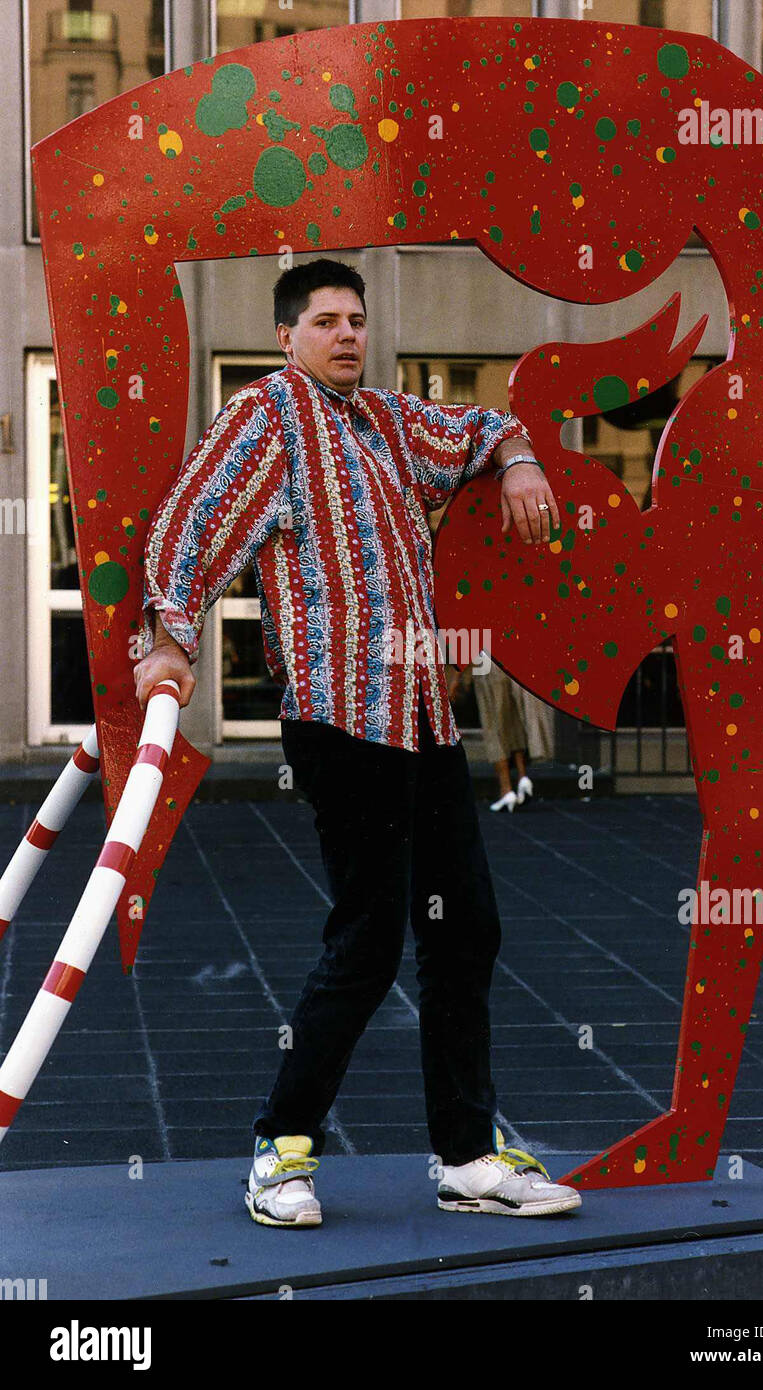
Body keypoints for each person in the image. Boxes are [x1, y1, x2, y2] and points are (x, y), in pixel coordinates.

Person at [133, 257, 581, 1226]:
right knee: (369, 940)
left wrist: (518, 458)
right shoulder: (268, 418)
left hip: (421, 718)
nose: (345, 334)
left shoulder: (385, 419)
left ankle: (465, 1154)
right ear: (287, 336)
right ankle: (278, 1150)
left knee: (467, 927)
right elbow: (190, 517)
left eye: (355, 320)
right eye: (325, 321)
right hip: (340, 720)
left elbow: (482, 424)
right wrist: (167, 636)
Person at [448, 661, 555, 812]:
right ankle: (522, 776)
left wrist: (456, 677)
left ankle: (506, 789)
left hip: (488, 663)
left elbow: (473, 639)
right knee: (514, 721)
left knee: (494, 724)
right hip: (514, 662)